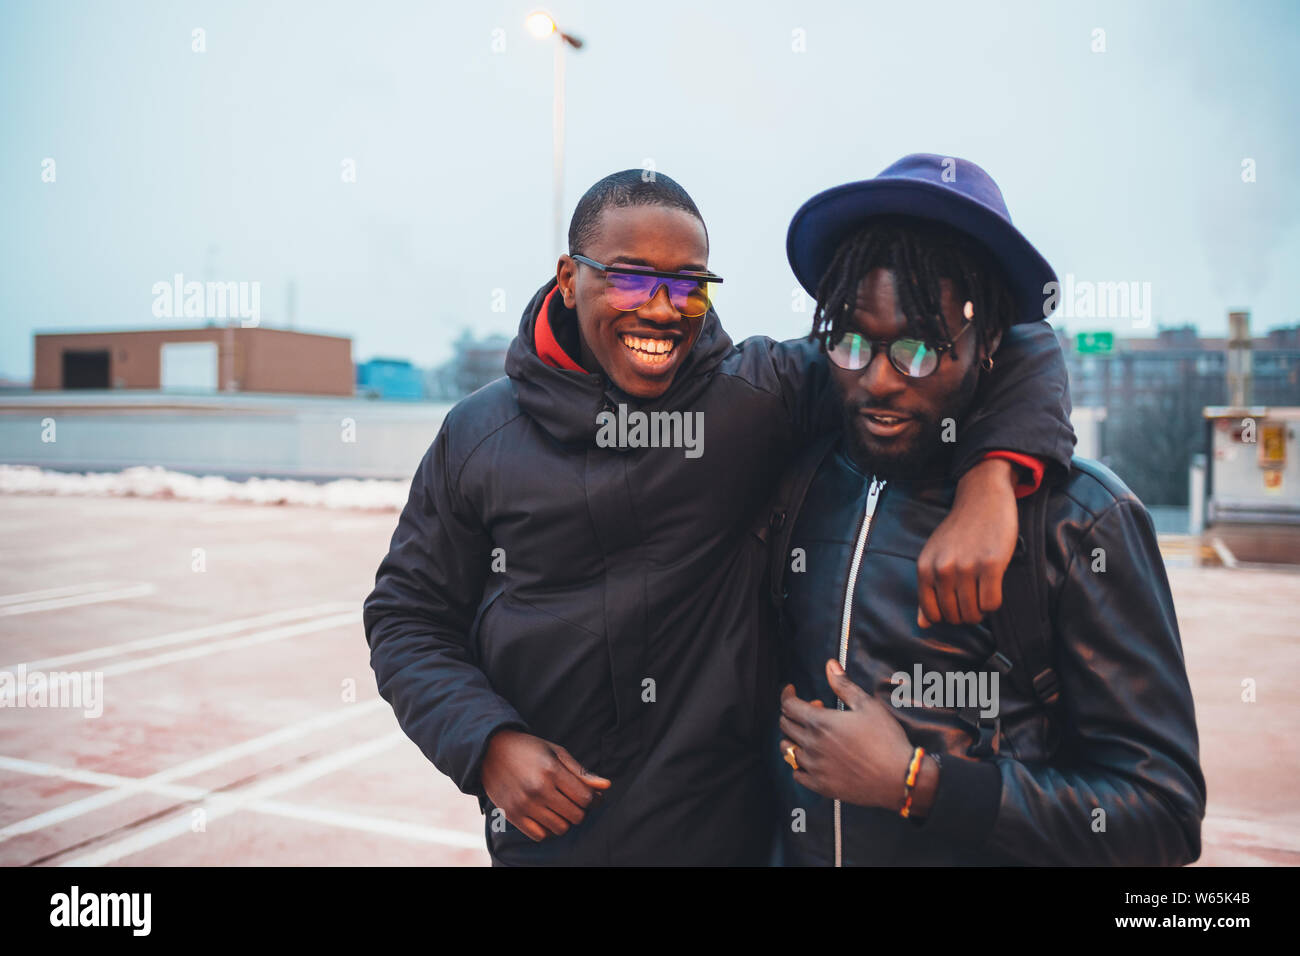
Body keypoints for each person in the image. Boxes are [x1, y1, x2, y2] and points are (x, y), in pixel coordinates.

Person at [362, 167, 1075, 865]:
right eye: (631, 276)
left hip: (723, 838)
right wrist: (486, 743)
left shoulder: (755, 397)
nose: (662, 307)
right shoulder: (478, 435)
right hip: (546, 843)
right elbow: (406, 615)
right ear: (567, 277)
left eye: (688, 285)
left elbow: (1011, 339)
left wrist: (993, 479)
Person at [771, 154, 1206, 866]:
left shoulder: (1079, 520)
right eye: (850, 341)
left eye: (919, 347)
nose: (877, 380)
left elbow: (1162, 814)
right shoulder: (801, 477)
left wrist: (920, 785)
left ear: (990, 344)